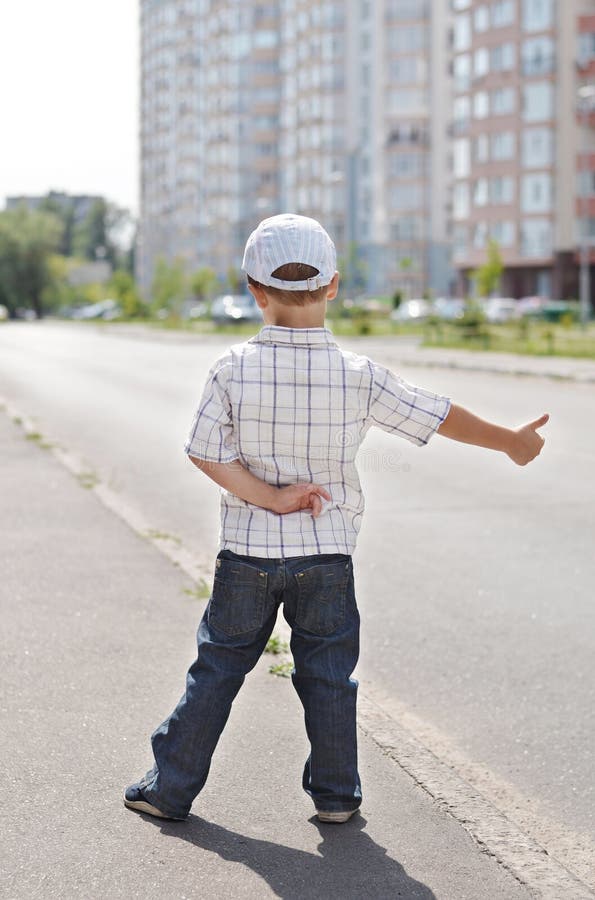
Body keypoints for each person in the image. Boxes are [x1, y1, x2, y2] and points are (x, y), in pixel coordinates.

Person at [124, 214, 548, 824]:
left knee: (218, 666)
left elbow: (203, 450)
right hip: (327, 557)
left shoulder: (231, 368)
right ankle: (336, 797)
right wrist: (508, 438)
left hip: (246, 556)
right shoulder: (358, 375)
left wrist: (268, 499)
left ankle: (170, 789)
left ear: (254, 290)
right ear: (333, 286)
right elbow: (436, 414)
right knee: (328, 676)